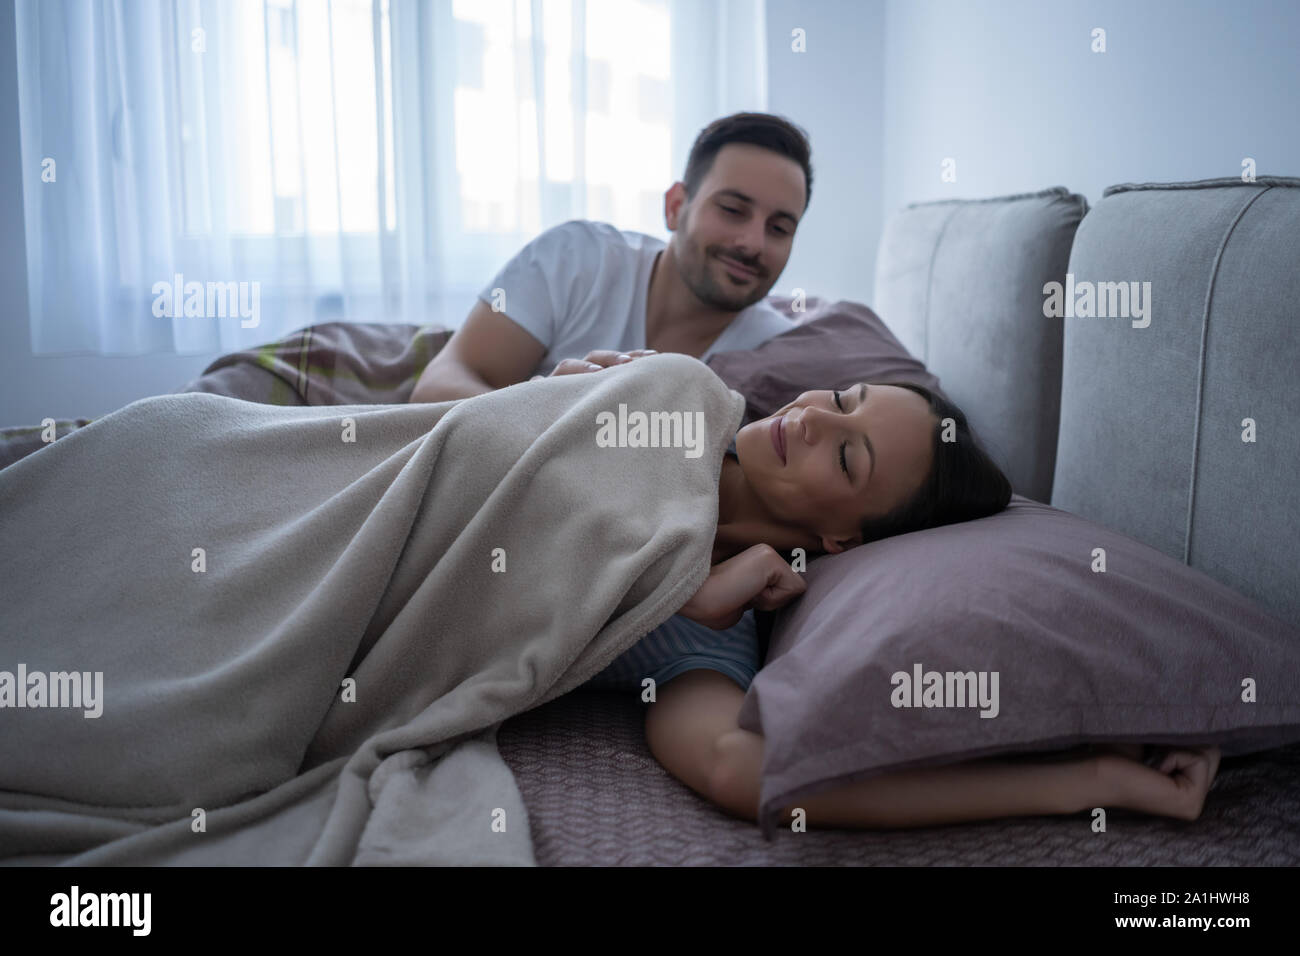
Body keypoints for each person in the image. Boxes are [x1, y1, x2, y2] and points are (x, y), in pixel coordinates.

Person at [579, 357, 1223, 832]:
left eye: (845, 458)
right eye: (841, 397)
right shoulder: (681, 395)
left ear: (843, 540)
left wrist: (1089, 782)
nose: (810, 418)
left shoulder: (714, 627)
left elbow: (735, 768)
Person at [406, 111, 812, 403]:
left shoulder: (777, 354)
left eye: (779, 228)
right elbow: (437, 386)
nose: (753, 242)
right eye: (732, 209)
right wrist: (542, 415)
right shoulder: (577, 258)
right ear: (675, 207)